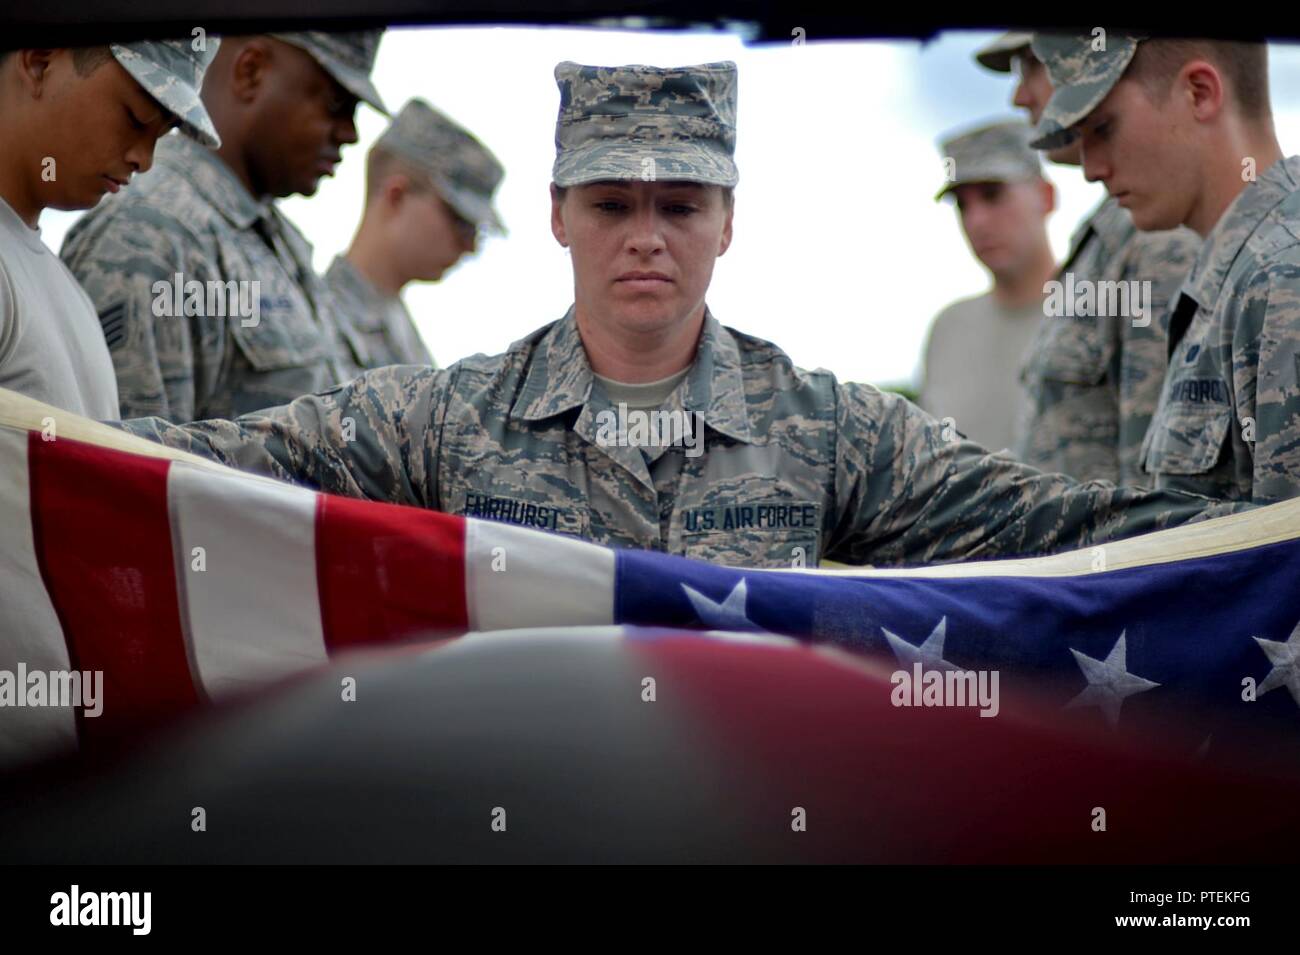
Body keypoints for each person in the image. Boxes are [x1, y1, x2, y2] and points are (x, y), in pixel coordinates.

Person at [118, 60, 1242, 569]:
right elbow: (203, 465)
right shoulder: (448, 419)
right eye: (611, 204)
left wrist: (1254, 544)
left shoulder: (825, 429)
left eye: (679, 205)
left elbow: (1058, 526)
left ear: (727, 222)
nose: (645, 235)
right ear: (559, 217)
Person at [61, 30, 388, 423]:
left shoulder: (270, 237)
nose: (350, 134)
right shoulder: (151, 238)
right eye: (336, 103)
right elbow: (131, 469)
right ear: (250, 71)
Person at [1030, 31, 1300, 505]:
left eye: (1104, 128)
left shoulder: (1281, 278)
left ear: (1200, 92)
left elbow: (1285, 564)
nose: (1089, 167)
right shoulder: (1236, 276)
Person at [974, 31, 1200, 484]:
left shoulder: (1155, 238)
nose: (1019, 97)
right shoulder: (1110, 232)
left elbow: (1159, 492)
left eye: (1034, 64)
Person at [0, 39, 218, 417]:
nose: (145, 160)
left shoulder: (70, 294)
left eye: (162, 137)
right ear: (39, 64)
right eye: (136, 118)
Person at [328, 98, 506, 371]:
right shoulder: (317, 315)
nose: (469, 246)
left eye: (476, 232)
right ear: (396, 196)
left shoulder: (402, 332)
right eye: (460, 222)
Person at [922, 119, 1055, 452]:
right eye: (962, 205)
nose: (976, 221)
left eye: (993, 195)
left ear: (1046, 196)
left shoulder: (1101, 312)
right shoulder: (949, 328)